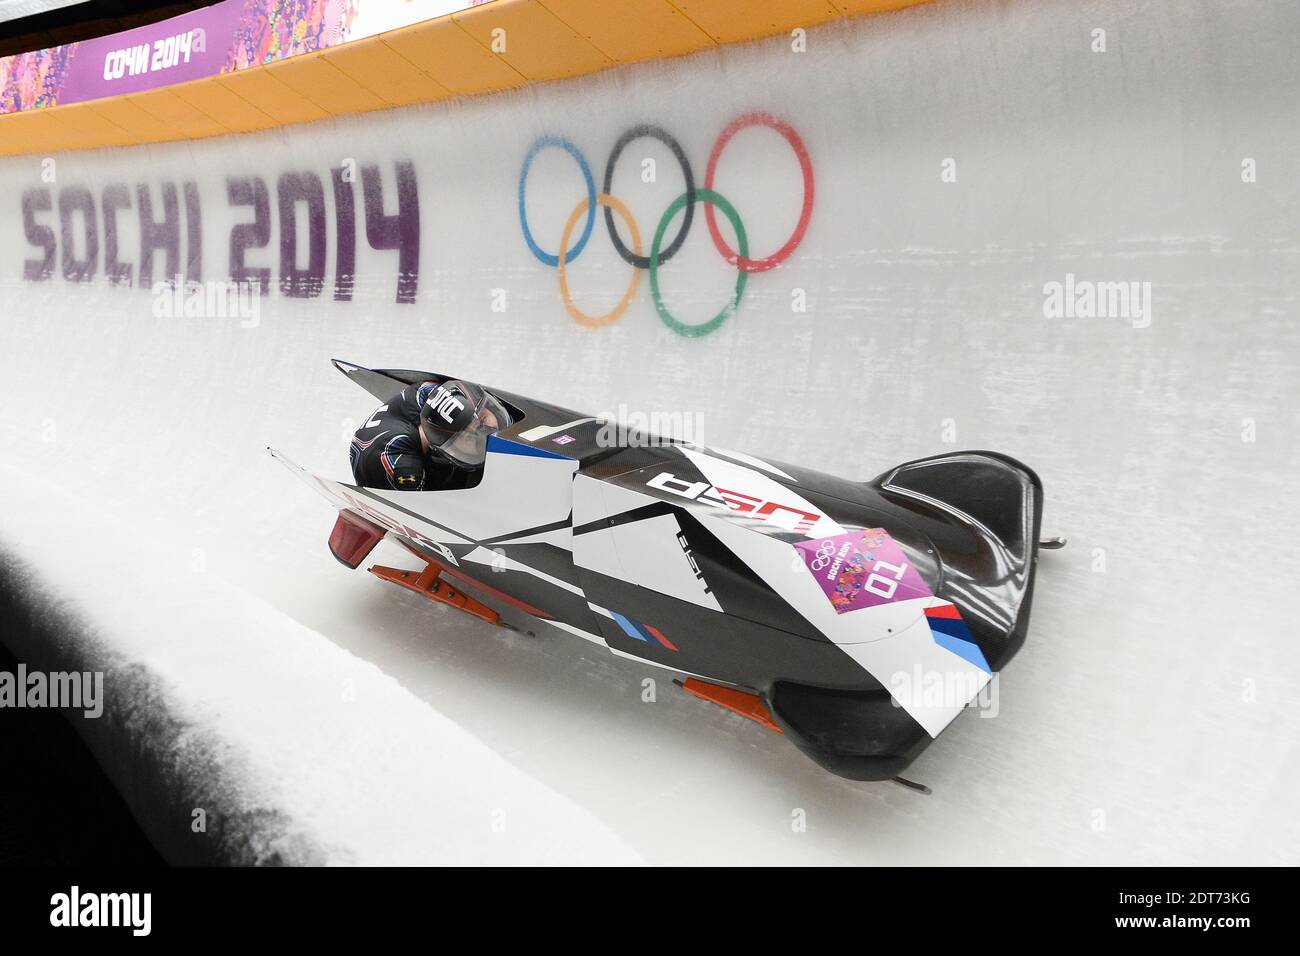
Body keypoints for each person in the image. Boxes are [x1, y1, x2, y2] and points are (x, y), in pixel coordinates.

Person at [349, 379, 511, 491]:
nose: (485, 433)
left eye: (482, 419)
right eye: (469, 437)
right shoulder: (407, 467)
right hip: (385, 468)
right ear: (450, 447)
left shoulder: (428, 390)